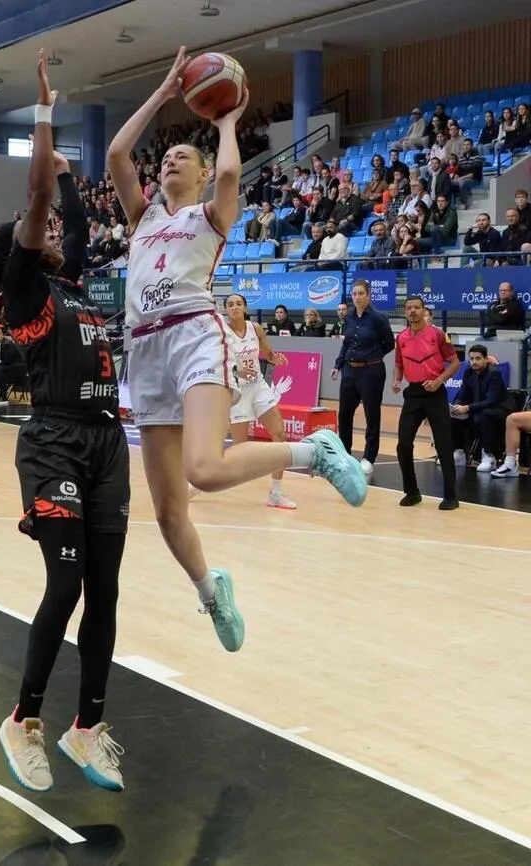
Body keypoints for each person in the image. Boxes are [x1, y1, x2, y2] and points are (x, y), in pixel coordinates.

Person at [106, 46, 366, 654]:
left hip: (195, 335)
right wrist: (164, 92)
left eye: (183, 157)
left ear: (198, 175)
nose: (171, 159)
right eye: (167, 156)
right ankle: (210, 590)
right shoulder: (142, 218)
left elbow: (228, 176)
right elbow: (119, 153)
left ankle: (312, 453)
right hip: (143, 355)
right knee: (170, 513)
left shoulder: (211, 214)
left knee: (205, 468)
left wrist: (224, 124)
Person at [0, 50, 129, 794]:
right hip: (52, 440)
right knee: (67, 583)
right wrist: (46, 114)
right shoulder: (24, 289)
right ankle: (22, 718)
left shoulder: (75, 284)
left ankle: (88, 726)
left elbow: (72, 209)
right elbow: (43, 199)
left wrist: (70, 168)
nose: (53, 232)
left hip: (107, 440)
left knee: (107, 592)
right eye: (39, 227)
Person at [224, 294, 296, 509]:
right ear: (226, 309)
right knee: (239, 448)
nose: (235, 307)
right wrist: (237, 370)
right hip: (237, 391)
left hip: (258, 387)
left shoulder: (256, 328)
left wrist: (276, 358)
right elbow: (218, 362)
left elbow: (268, 354)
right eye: (230, 304)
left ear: (245, 307)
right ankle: (201, 480)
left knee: (279, 435)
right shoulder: (222, 332)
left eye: (238, 303)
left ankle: (275, 493)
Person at [392, 295, 460, 509]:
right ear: (405, 312)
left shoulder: (438, 335)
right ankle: (412, 492)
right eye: (409, 308)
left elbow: (455, 363)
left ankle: (451, 496)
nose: (412, 311)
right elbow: (398, 364)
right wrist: (396, 379)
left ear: (424, 311)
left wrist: (439, 380)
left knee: (443, 444)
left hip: (435, 392)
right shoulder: (401, 337)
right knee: (403, 443)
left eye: (416, 308)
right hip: (413, 394)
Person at [332, 280, 396, 476]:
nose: (357, 297)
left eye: (361, 293)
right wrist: (338, 365)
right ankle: (344, 453)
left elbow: (389, 344)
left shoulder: (378, 318)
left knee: (371, 414)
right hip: (349, 371)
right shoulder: (349, 317)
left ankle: (369, 457)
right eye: (354, 294)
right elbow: (347, 344)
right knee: (344, 414)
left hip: (372, 372)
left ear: (368, 295)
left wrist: (372, 356)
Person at [450, 343, 509, 472]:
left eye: (478, 358)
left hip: (498, 409)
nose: (474, 362)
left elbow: (491, 401)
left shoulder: (494, 374)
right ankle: (459, 452)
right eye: (471, 359)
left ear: (486, 359)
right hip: (476, 408)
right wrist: (457, 405)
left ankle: (488, 455)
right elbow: (463, 394)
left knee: (486, 413)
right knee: (455, 413)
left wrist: (468, 407)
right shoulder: (468, 372)